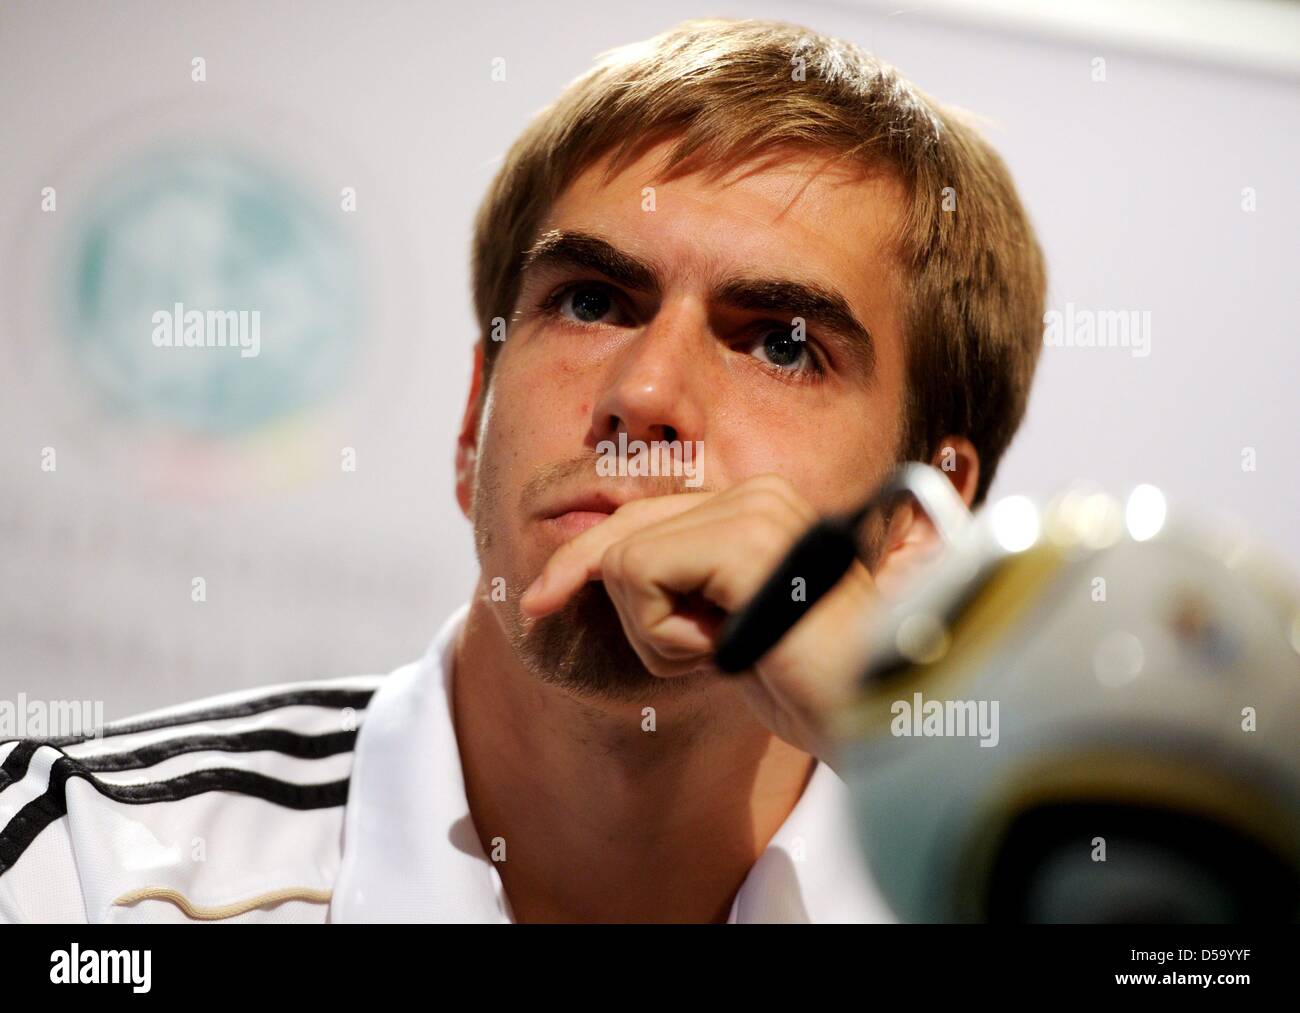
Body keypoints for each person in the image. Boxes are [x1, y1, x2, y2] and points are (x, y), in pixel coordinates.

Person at [0, 16, 1046, 923]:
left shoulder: (1003, 894)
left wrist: (920, 775)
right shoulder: (80, 859)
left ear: (915, 526)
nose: (643, 393)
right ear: (472, 420)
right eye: (590, 301)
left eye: (778, 340)